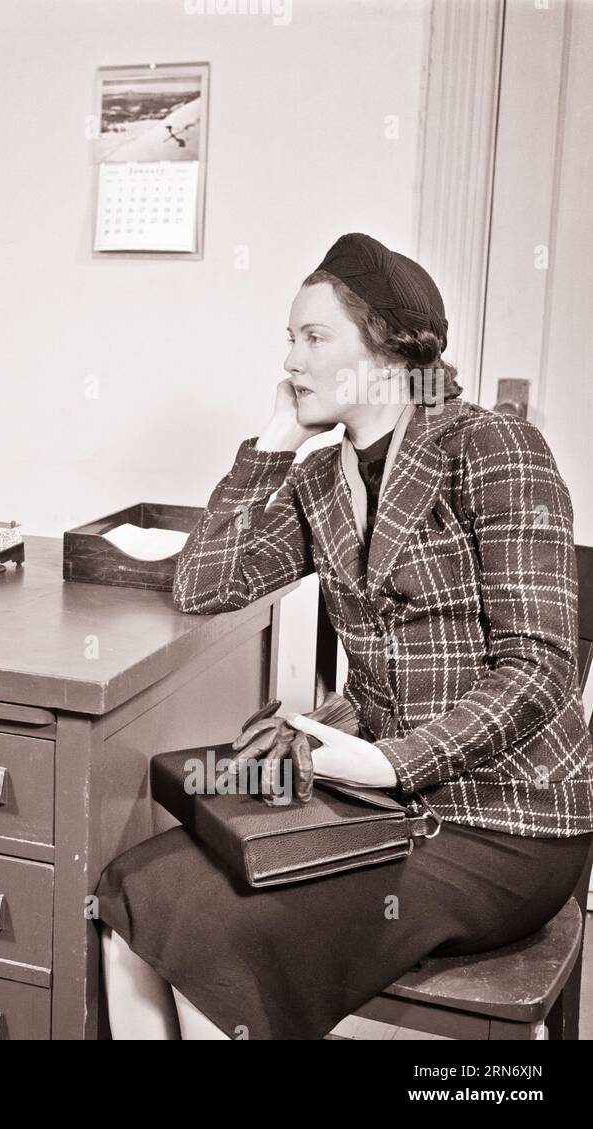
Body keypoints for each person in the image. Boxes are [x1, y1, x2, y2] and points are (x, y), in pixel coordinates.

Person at [95, 232, 593, 1040]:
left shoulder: (494, 446)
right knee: (131, 893)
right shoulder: (322, 476)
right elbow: (201, 584)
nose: (290, 360)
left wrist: (392, 759)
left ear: (390, 354)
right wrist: (269, 449)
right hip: (377, 800)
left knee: (214, 937)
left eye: (314, 337)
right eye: (289, 338)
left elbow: (539, 667)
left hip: (506, 820)